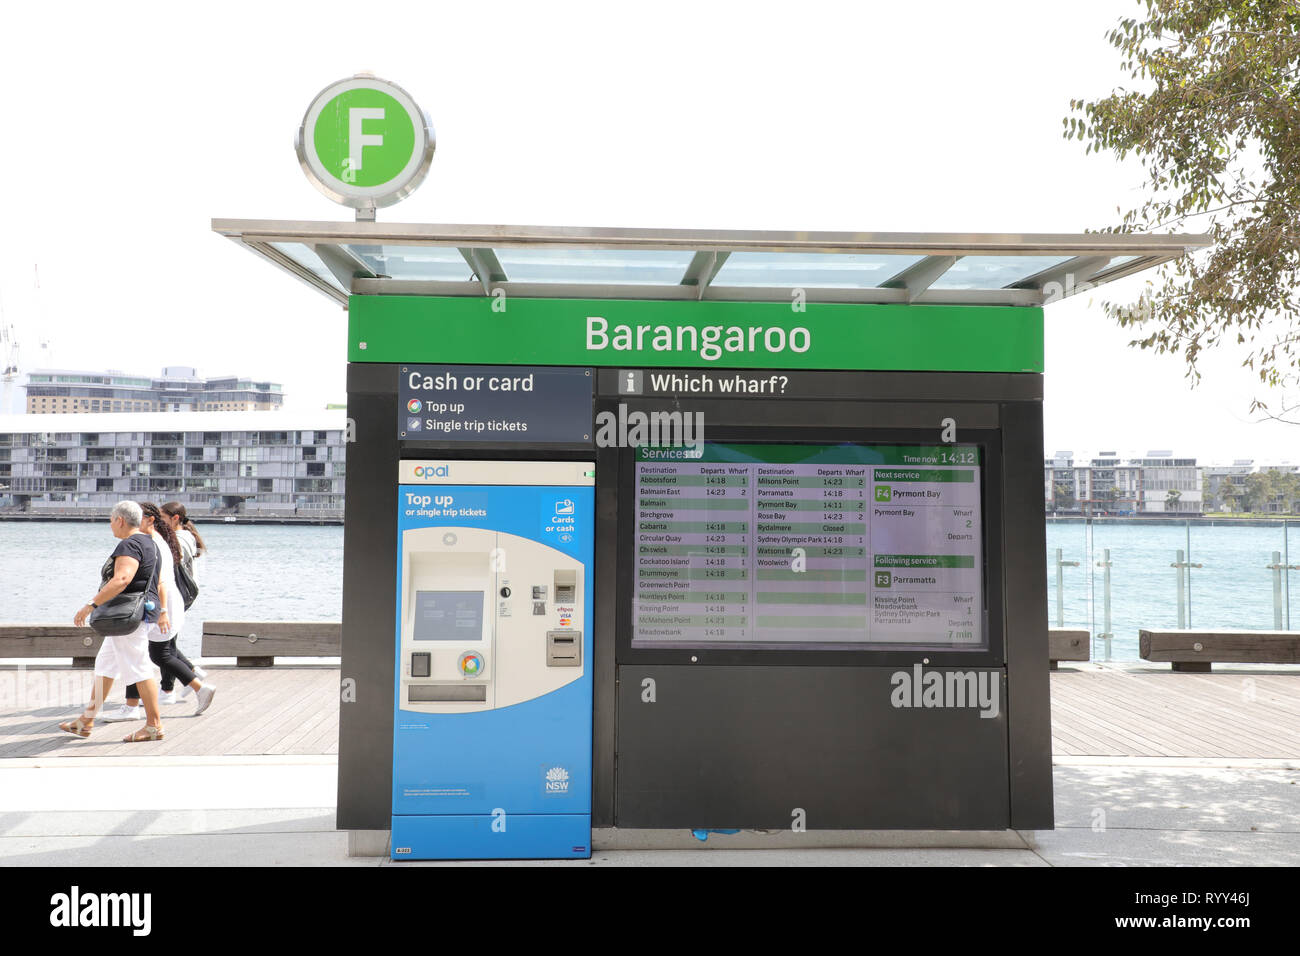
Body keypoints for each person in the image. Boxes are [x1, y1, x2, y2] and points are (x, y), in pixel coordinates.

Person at [59, 501, 168, 742]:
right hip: (140, 612)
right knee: (106, 664)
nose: (110, 526)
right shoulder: (150, 543)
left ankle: (154, 726)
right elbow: (157, 581)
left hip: (126, 616)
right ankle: (86, 721)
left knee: (138, 665)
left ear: (120, 520)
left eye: (111, 520)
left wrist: (91, 604)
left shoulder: (129, 544)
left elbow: (122, 579)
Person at [107, 503, 216, 720]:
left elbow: (159, 581)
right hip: (162, 604)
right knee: (149, 653)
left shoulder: (153, 543)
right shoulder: (158, 541)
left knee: (150, 653)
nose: (135, 522)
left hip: (158, 604)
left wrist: (162, 611)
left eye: (140, 518)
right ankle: (184, 688)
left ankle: (193, 687)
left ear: (150, 520)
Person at [160, 501, 208, 700]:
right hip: (176, 594)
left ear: (175, 518)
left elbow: (173, 559)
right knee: (165, 643)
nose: (158, 523)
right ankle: (188, 674)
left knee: (163, 644)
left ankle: (169, 689)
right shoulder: (177, 536)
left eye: (162, 519)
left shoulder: (182, 537)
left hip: (178, 595)